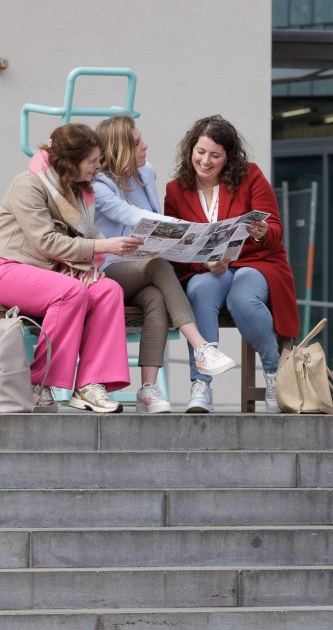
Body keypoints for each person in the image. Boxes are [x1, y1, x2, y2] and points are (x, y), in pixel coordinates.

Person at [0, 123, 141, 413]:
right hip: (6, 269)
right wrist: (101, 247)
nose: (97, 166)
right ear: (70, 162)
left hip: (51, 274)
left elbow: (75, 238)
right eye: (91, 161)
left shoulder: (77, 190)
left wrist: (86, 263)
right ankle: (40, 384)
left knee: (108, 289)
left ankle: (91, 385)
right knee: (72, 292)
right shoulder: (27, 185)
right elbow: (46, 242)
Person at [91, 115, 234, 413]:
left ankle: (147, 388)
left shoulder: (146, 173)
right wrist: (183, 228)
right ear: (121, 147)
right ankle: (201, 347)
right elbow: (134, 217)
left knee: (156, 298)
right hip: (110, 270)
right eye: (138, 141)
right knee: (157, 265)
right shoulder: (98, 185)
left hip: (142, 269)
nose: (146, 145)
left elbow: (153, 226)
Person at [164, 115, 299, 413]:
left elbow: (275, 230)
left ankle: (274, 373)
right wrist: (205, 263)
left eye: (215, 155)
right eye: (200, 152)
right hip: (208, 269)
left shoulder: (249, 176)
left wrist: (263, 232)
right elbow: (177, 248)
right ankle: (201, 384)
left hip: (257, 262)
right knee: (199, 291)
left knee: (243, 298)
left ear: (228, 156)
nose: (206, 161)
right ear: (190, 151)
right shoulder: (176, 190)